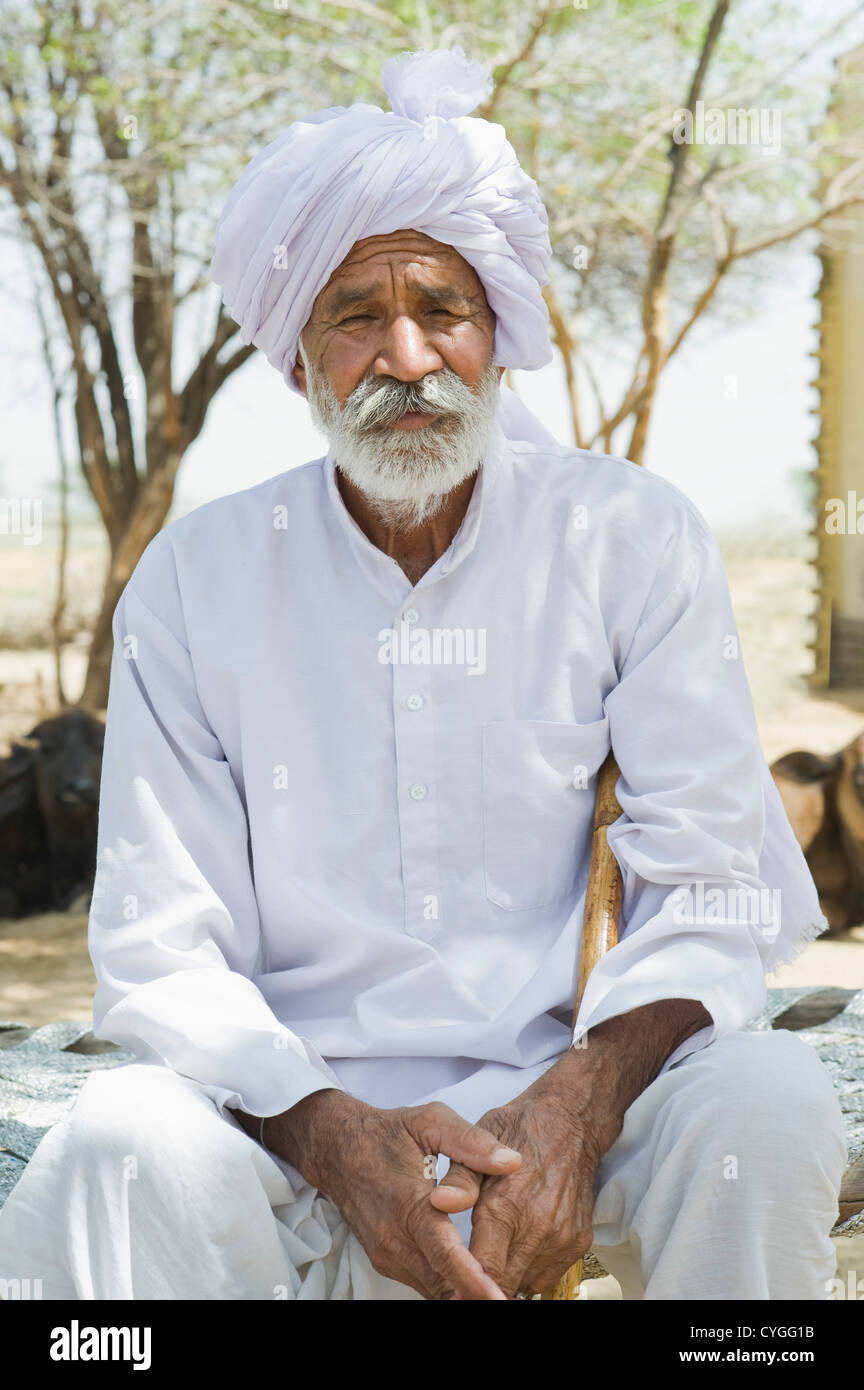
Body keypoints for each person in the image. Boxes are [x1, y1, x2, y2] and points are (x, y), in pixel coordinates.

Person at [0, 47, 846, 1302]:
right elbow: (160, 946)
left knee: (767, 1107)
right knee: (115, 1155)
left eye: (442, 307)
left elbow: (715, 894)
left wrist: (577, 1107)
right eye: (355, 313)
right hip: (283, 1121)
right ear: (298, 362)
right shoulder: (196, 582)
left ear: (498, 333)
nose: (406, 356)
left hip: (580, 1112)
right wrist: (338, 1138)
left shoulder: (631, 538)